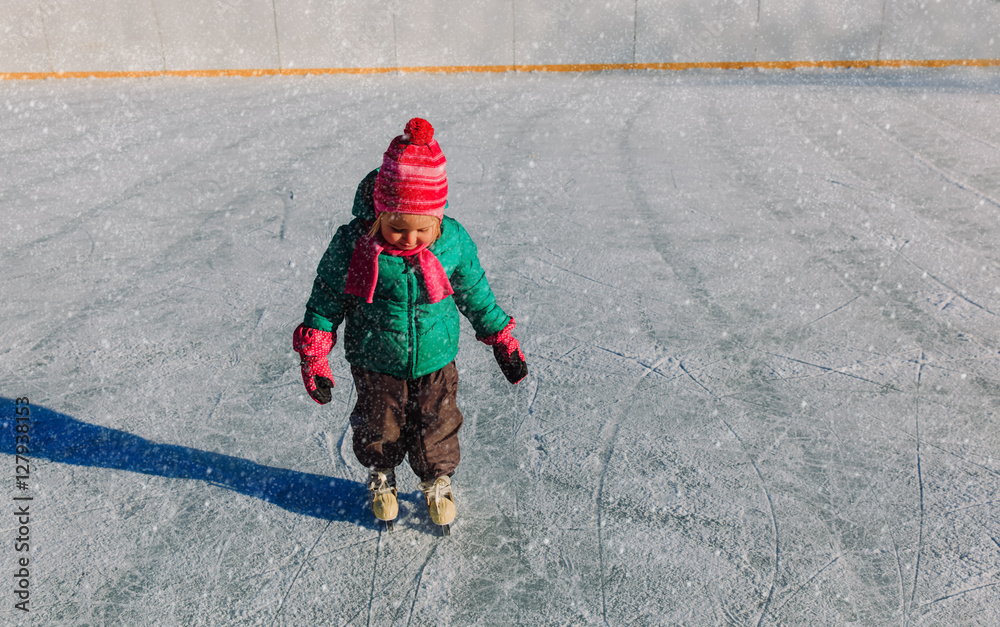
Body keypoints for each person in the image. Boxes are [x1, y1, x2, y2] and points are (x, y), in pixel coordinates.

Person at [292, 118, 527, 532]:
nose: (409, 239)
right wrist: (316, 350)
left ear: (439, 218)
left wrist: (500, 336)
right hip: (374, 357)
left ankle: (437, 480)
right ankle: (381, 475)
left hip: (437, 357)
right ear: (378, 213)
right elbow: (327, 297)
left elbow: (475, 292)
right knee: (378, 422)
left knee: (437, 423)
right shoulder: (355, 245)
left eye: (422, 228)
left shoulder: (452, 242)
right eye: (397, 228)